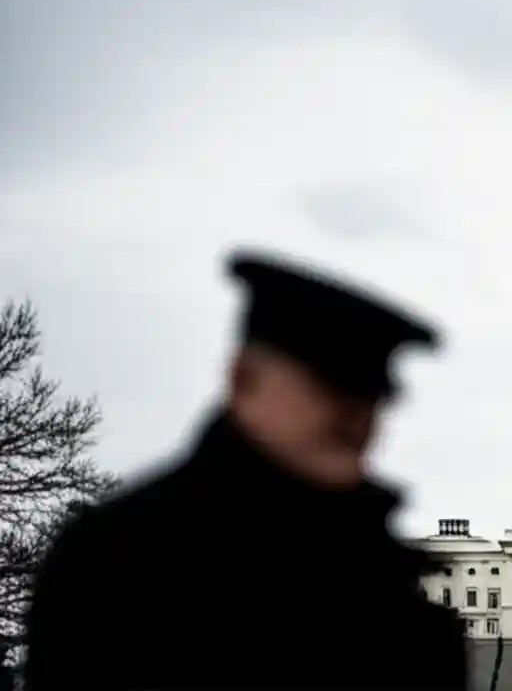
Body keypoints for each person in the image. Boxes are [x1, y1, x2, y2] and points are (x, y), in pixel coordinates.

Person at [24, 251, 467, 690]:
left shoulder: (397, 594)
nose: (355, 415)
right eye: (328, 385)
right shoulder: (116, 564)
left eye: (372, 395)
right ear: (242, 378)